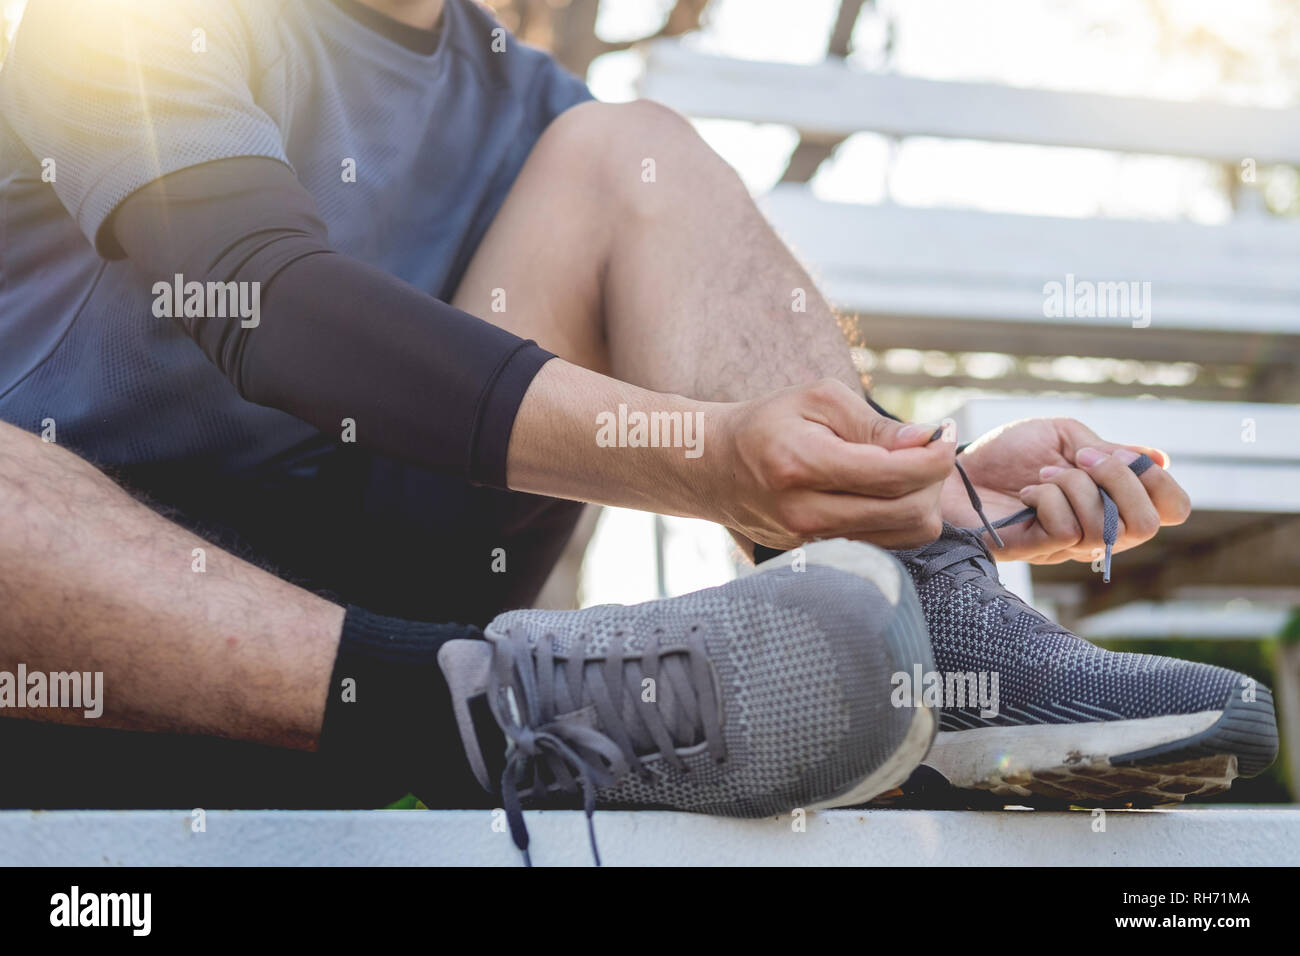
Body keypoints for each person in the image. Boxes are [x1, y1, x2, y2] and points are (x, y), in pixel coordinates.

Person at [0, 0, 1276, 848]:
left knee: (632, 154)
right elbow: (262, 301)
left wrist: (917, 476)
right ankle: (467, 706)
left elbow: (726, 373)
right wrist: (709, 460)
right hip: (73, 664)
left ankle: (940, 632)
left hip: (385, 613)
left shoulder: (531, 104)